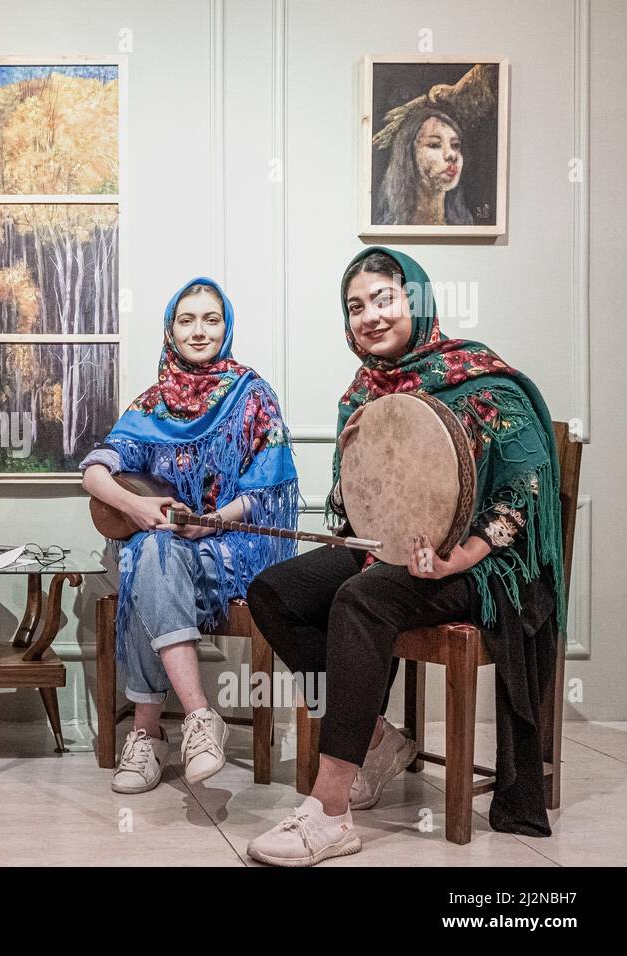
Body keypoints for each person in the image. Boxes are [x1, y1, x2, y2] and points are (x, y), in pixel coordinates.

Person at [246, 247, 565, 866]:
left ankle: (329, 811)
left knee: (360, 599)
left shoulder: (483, 380)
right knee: (274, 592)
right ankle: (374, 738)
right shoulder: (362, 394)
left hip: (481, 565)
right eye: (355, 307)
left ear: (414, 300)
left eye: (383, 299)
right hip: (390, 555)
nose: (369, 316)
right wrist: (351, 461)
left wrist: (457, 558)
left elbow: (523, 492)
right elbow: (354, 514)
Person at [81, 277, 298, 795]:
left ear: (226, 327)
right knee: (151, 551)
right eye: (187, 319)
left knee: (139, 567)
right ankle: (201, 718)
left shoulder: (251, 393)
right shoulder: (152, 403)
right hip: (168, 549)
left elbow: (267, 489)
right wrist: (137, 506)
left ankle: (146, 733)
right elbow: (93, 471)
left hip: (232, 546)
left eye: (211, 319)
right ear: (170, 330)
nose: (199, 331)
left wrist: (215, 519)